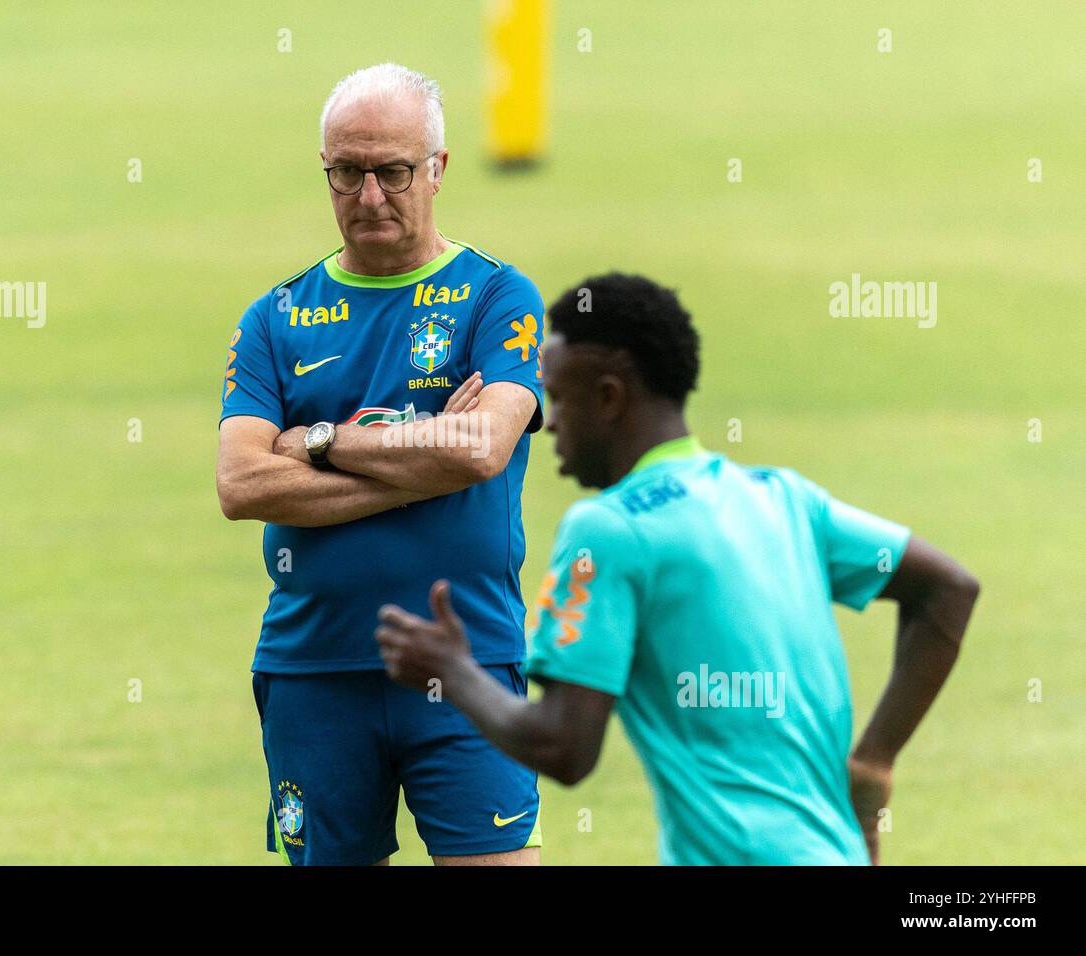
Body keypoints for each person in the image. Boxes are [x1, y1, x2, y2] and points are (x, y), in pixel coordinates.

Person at [375, 272, 980, 864]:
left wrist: (453, 671)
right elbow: (949, 589)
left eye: (557, 397)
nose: (550, 422)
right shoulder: (786, 500)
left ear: (609, 397)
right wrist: (872, 761)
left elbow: (564, 747)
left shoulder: (609, 529)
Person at [217, 64, 546, 865]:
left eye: (392, 172)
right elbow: (242, 484)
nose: (368, 197)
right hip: (315, 669)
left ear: (437, 169)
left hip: (466, 663)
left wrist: (319, 444)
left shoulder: (498, 298)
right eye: (346, 173)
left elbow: (482, 448)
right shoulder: (275, 317)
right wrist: (424, 453)